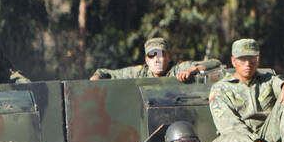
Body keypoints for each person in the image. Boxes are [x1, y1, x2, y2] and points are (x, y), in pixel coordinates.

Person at [208, 38, 284, 142]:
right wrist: (255, 141)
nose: (248, 63)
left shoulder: (268, 80)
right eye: (242, 59)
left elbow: (281, 85)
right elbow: (229, 125)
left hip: (269, 137)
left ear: (258, 59)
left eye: (252, 58)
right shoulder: (220, 89)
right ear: (233, 61)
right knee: (229, 136)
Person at [90, 36, 221, 82]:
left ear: (169, 57)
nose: (156, 59)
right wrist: (96, 78)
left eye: (161, 54)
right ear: (146, 60)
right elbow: (104, 73)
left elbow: (215, 63)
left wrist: (193, 70)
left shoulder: (178, 70)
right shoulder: (139, 73)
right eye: (151, 55)